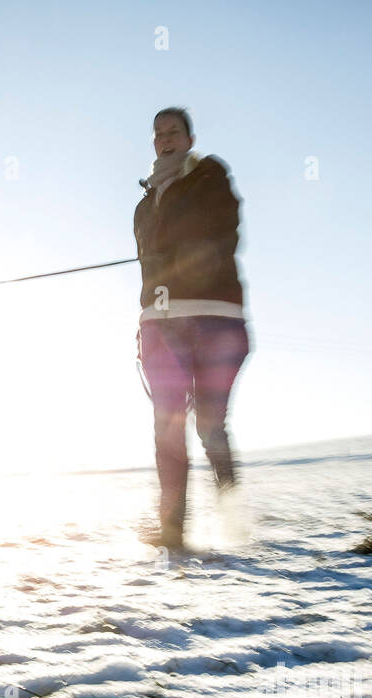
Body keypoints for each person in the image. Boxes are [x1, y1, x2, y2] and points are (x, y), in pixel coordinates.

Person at [134, 106, 250, 551]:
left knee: (208, 425)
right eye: (157, 133)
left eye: (173, 131)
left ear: (189, 137)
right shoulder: (144, 204)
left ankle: (234, 520)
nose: (165, 138)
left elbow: (225, 231)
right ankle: (173, 531)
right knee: (167, 425)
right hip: (160, 323)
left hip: (214, 316)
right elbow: (148, 267)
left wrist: (179, 253)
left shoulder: (209, 178)